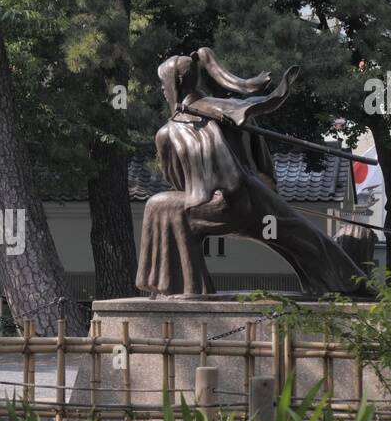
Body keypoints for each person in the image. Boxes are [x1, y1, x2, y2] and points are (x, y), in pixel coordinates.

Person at [135, 47, 367, 297]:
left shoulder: (168, 132)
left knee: (159, 204)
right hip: (254, 198)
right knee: (300, 235)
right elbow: (263, 166)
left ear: (173, 85)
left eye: (162, 83)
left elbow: (180, 184)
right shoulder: (232, 110)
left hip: (216, 206)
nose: (161, 89)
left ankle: (186, 288)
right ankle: (346, 279)